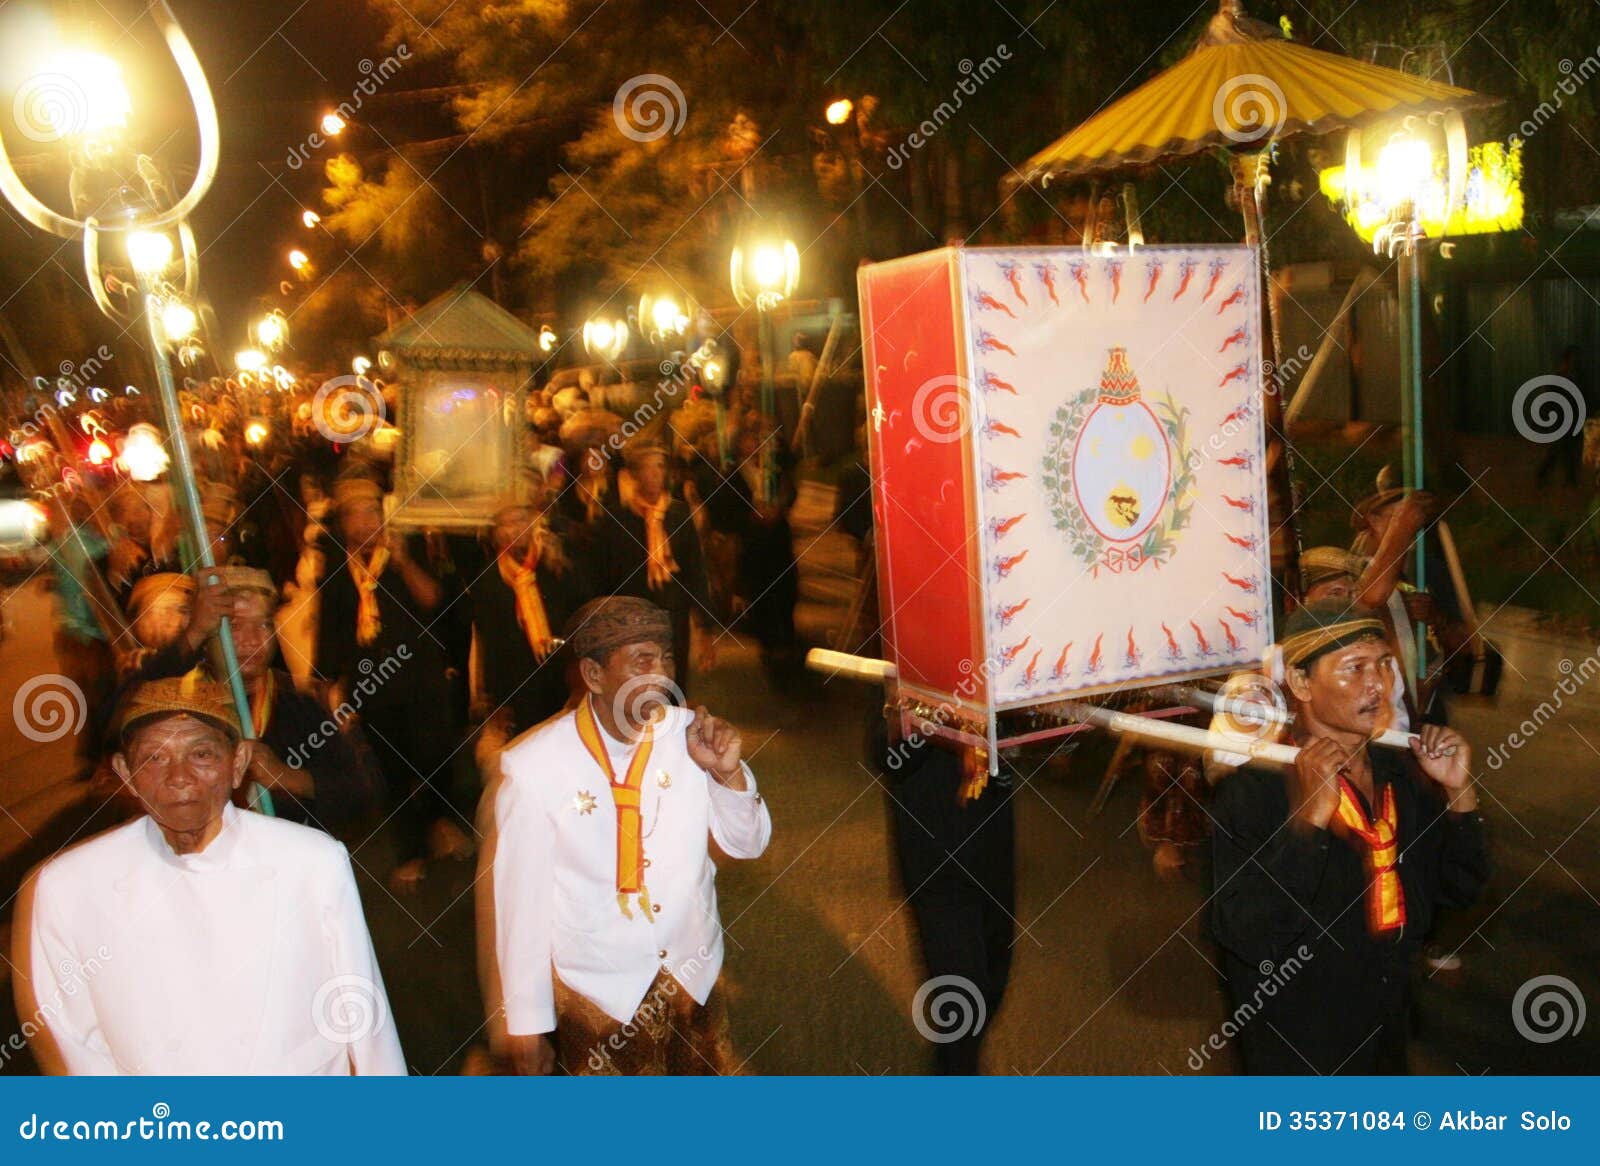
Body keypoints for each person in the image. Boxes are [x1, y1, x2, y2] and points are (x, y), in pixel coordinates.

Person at [13, 676, 405, 1074]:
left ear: (237, 765)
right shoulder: (69, 888)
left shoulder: (312, 862)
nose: (179, 776)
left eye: (201, 754)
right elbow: (75, 1045)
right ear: (125, 772)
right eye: (155, 758)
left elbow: (364, 1016)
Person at [485, 596, 771, 1075]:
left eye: (667, 657)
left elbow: (749, 843)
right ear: (594, 676)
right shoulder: (534, 768)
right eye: (643, 660)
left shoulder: (691, 736)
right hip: (599, 991)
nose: (661, 673)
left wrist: (727, 775)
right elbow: (521, 905)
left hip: (692, 973)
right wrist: (527, 1022)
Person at [1210, 602, 1489, 1074]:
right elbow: (1243, 933)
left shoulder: (1400, 773)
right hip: (1300, 1049)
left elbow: (1460, 889)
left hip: (1387, 1029)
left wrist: (1460, 791)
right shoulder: (1253, 791)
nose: (1378, 683)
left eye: (1383, 664)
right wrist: (1307, 825)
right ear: (1301, 684)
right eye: (1354, 668)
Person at [312, 476, 464, 890]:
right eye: (354, 515)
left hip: (421, 678)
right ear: (343, 523)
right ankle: (411, 851)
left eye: (371, 512)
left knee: (435, 756)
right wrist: (327, 685)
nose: (364, 523)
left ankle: (439, 823)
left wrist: (403, 562)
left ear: (384, 515)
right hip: (372, 687)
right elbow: (330, 631)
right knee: (393, 771)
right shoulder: (336, 569)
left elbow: (433, 599)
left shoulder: (406, 551)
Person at [219, 567, 385, 837]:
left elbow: (362, 791)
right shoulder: (186, 703)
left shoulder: (299, 702)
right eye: (236, 626)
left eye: (263, 624)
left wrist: (286, 776)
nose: (252, 640)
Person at [593, 443, 713, 695]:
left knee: (672, 681)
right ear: (635, 475)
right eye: (647, 468)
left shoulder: (678, 514)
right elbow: (605, 574)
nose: (655, 474)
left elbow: (695, 569)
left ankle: (671, 727)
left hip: (672, 613)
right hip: (633, 616)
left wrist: (704, 626)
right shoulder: (617, 519)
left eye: (659, 467)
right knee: (637, 682)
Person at [470, 502, 587, 739]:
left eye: (521, 520)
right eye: (506, 524)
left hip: (563, 673)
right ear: (495, 535)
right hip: (518, 683)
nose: (514, 529)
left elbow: (584, 607)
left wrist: (562, 563)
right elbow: (489, 641)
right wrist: (492, 696)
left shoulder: (555, 560)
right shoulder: (490, 578)